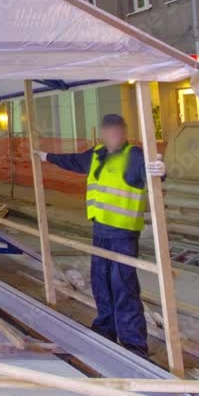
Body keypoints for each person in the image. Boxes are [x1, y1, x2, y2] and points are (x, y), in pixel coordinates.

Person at [36, 114, 165, 359]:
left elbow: (151, 170)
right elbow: (72, 160)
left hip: (123, 235)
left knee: (123, 287)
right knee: (101, 282)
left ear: (124, 134)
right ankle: (105, 330)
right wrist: (44, 156)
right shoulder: (96, 154)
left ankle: (133, 344)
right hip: (100, 233)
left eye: (117, 132)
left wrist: (159, 169)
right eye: (109, 132)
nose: (112, 136)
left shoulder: (134, 156)